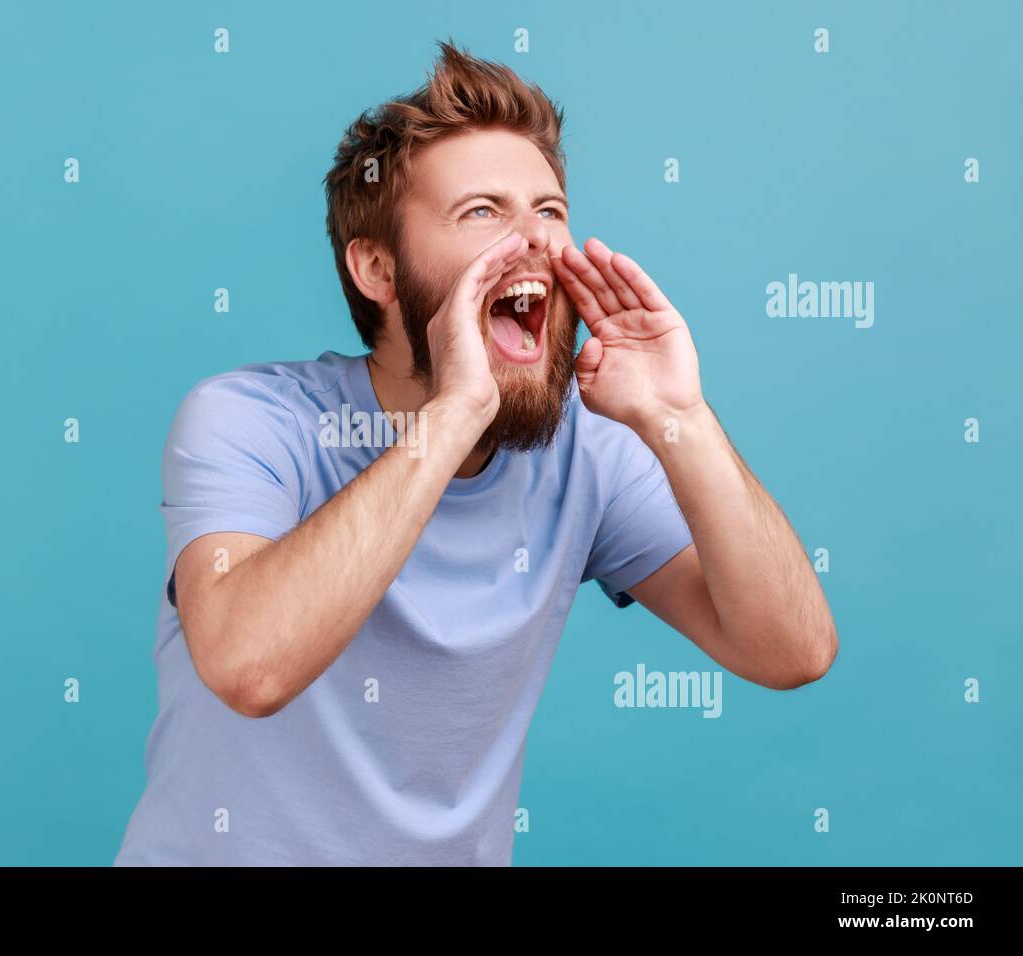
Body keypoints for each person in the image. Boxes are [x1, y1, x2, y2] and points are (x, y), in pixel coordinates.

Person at [115, 41, 837, 866]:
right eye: (483, 213)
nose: (535, 242)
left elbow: (793, 652)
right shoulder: (249, 421)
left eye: (551, 211)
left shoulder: (586, 450)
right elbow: (250, 668)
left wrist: (683, 416)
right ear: (378, 269)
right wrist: (455, 411)